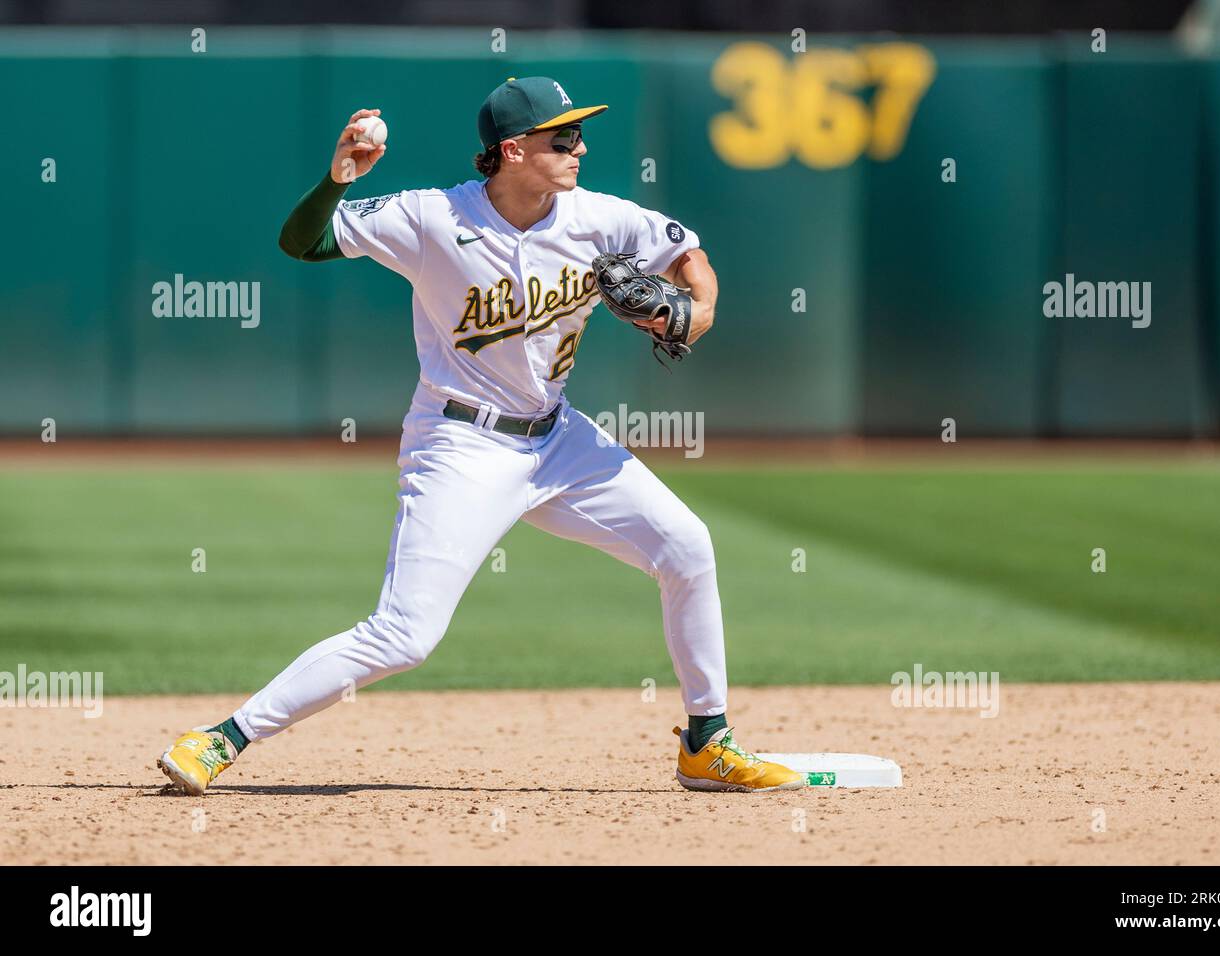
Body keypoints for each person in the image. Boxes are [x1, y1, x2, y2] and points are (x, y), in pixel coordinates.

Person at [157, 76, 803, 795]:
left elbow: (689, 257)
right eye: (563, 136)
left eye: (579, 134)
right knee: (405, 634)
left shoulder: (601, 218)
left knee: (687, 547)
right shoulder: (431, 218)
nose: (579, 147)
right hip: (460, 445)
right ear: (513, 149)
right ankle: (220, 738)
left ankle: (706, 743)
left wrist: (696, 311)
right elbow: (302, 242)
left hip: (559, 439)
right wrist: (338, 178)